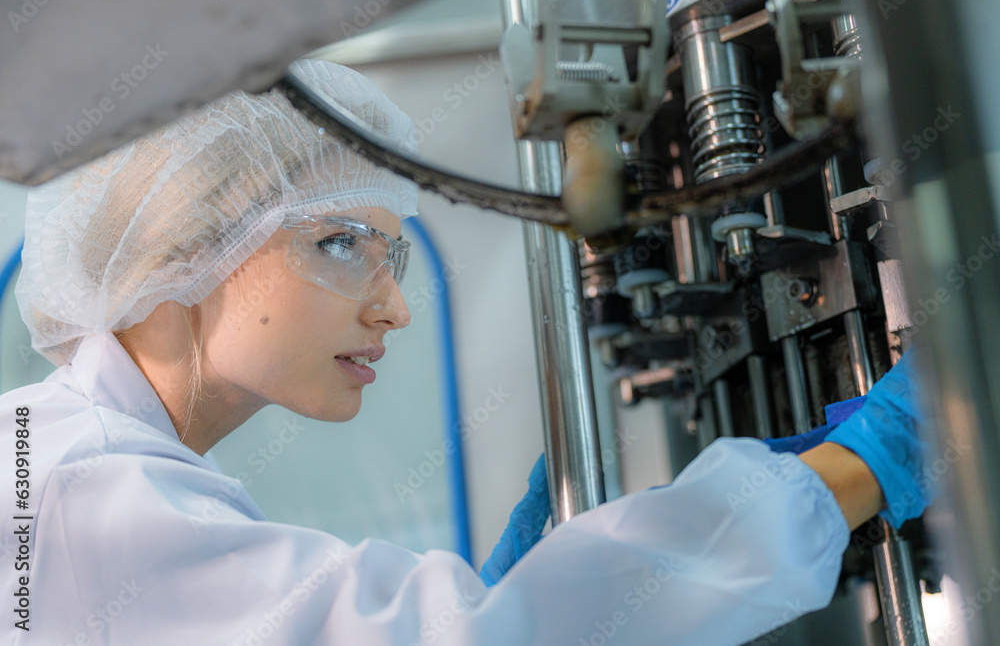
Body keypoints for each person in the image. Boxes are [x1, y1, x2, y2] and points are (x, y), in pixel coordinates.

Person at [0, 59, 930, 646]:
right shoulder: (82, 494)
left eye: (391, 253)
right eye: (339, 244)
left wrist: (495, 600)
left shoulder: (62, 463)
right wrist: (866, 461)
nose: (396, 307)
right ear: (186, 255)